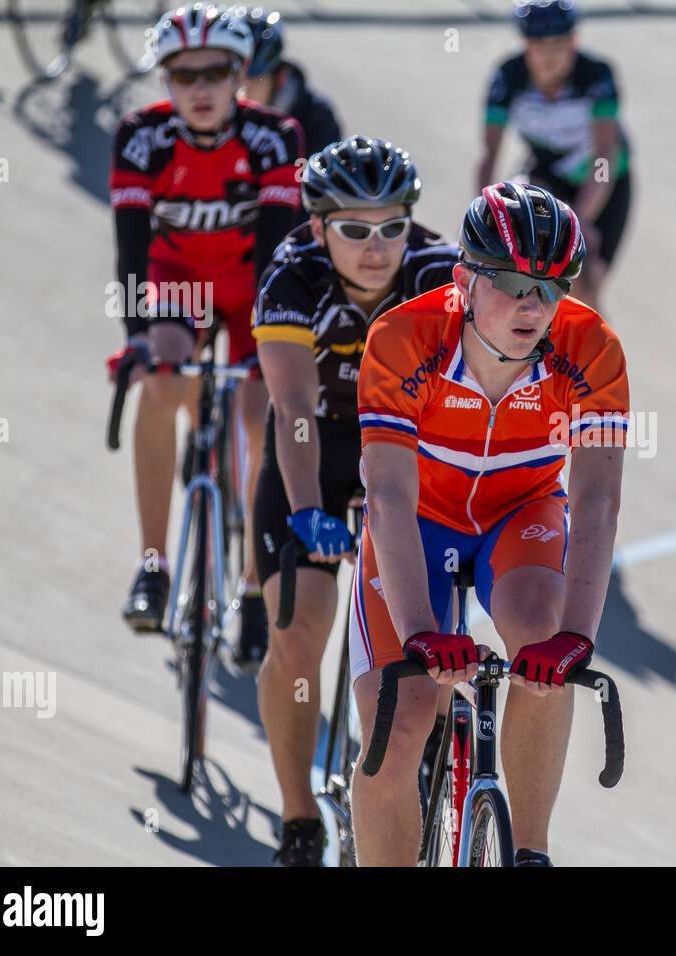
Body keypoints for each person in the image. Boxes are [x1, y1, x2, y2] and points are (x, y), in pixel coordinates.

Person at [351, 181, 629, 867]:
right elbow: (386, 493)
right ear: (464, 278)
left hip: (520, 513)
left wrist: (576, 638)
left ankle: (528, 852)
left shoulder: (591, 348)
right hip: (418, 518)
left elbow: (596, 503)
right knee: (403, 723)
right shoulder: (403, 338)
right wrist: (420, 630)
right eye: (509, 281)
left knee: (542, 650)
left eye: (551, 284)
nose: (533, 304)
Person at [250, 135, 460, 865]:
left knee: (423, 630)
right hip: (318, 445)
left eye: (392, 227)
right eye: (354, 230)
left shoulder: (441, 276)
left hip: (405, 450)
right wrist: (308, 509)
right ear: (317, 229)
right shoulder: (291, 276)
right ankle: (300, 814)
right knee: (300, 635)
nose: (377, 248)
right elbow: (293, 408)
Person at [109, 2, 302, 672]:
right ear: (164, 77)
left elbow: (281, 256)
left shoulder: (276, 138)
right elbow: (131, 255)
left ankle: (251, 588)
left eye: (215, 71)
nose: (198, 86)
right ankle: (154, 564)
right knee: (162, 381)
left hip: (253, 283)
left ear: (239, 73)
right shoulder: (140, 138)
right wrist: (138, 340)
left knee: (259, 414)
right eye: (182, 72)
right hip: (180, 278)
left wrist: (274, 355)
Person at [476, 0, 631, 311]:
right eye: (540, 46)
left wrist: (583, 218)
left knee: (584, 288)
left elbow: (604, 155)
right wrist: (481, 213)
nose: (550, 56)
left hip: (601, 178)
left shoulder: (597, 75)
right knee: (534, 265)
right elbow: (489, 153)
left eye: (559, 45)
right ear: (525, 45)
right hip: (547, 174)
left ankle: (596, 353)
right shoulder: (508, 77)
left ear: (574, 42)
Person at [236, 6, 343, 165]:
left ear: (280, 77)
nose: (238, 92)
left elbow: (327, 181)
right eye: (228, 79)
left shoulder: (316, 119)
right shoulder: (200, 116)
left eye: (251, 81)